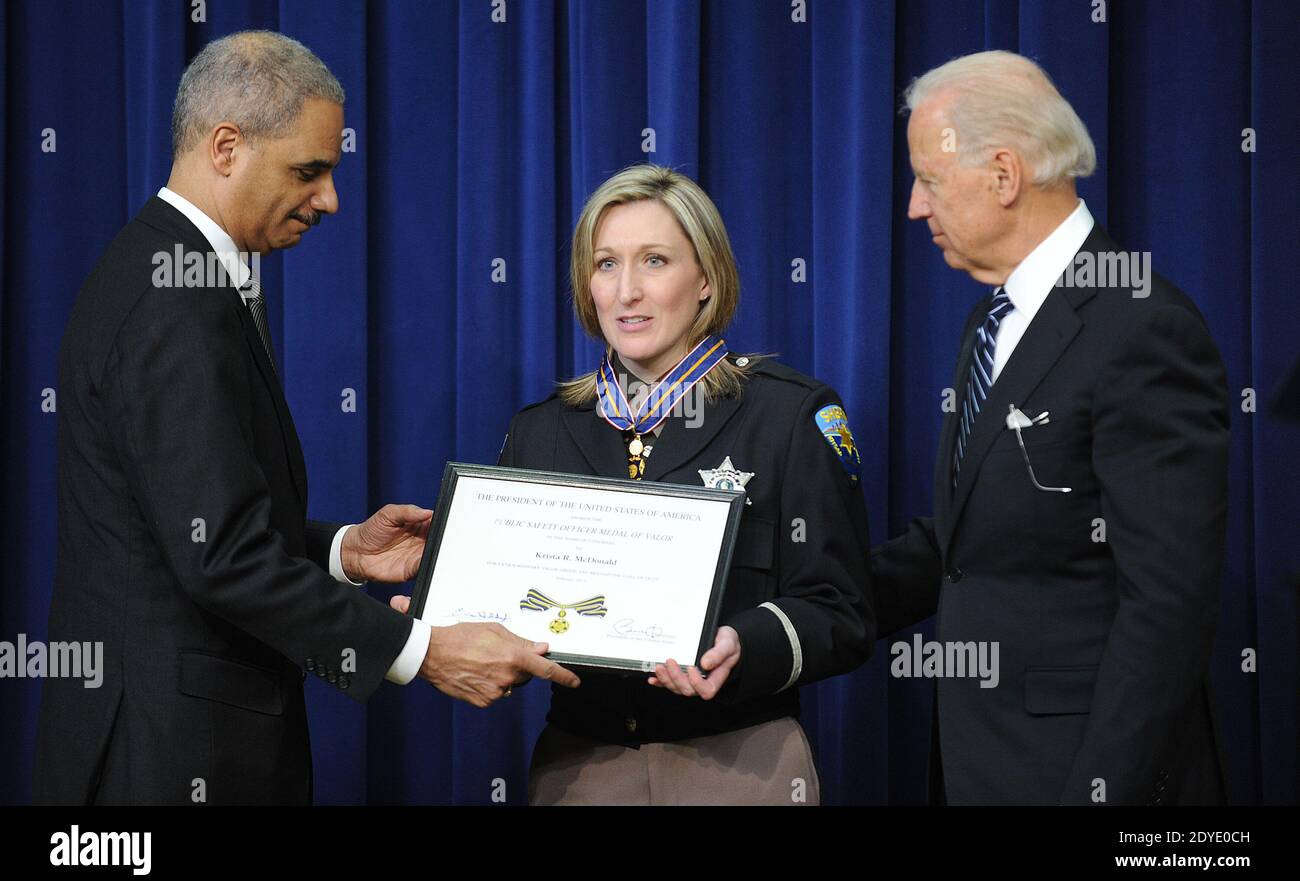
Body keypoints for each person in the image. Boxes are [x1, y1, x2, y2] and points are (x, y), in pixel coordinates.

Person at [33, 30, 577, 806]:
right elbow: (219, 554)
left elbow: (186, 523)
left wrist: (345, 551)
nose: (330, 199)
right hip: (165, 757)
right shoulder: (173, 301)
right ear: (226, 147)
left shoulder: (172, 270)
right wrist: (420, 650)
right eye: (309, 170)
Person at [871, 50, 1230, 805]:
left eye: (928, 180)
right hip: (981, 766)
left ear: (1004, 175)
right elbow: (968, 541)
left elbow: (1166, 610)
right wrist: (792, 608)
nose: (914, 207)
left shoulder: (1142, 325)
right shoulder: (990, 321)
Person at [498, 164, 874, 805]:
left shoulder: (789, 416)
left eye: (654, 261)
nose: (627, 292)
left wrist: (745, 646)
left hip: (739, 762)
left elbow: (843, 609)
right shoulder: (540, 431)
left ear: (705, 278)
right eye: (606, 265)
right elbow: (506, 599)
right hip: (577, 767)